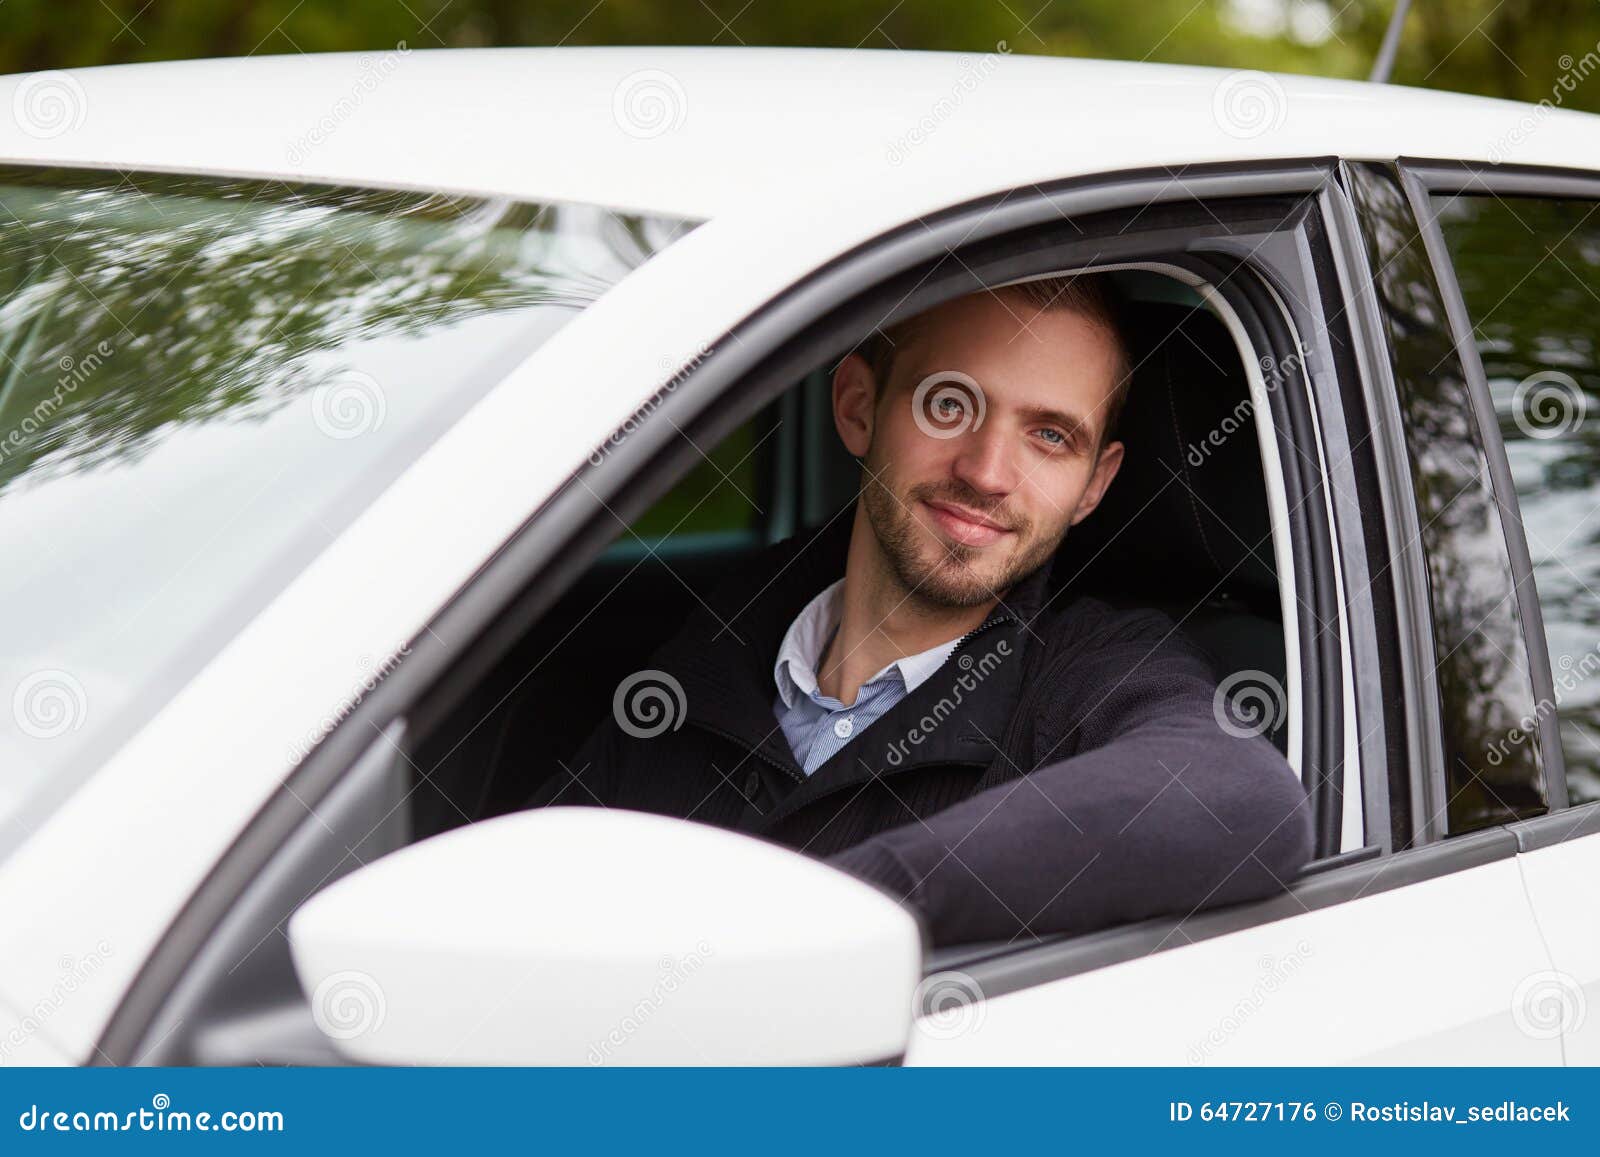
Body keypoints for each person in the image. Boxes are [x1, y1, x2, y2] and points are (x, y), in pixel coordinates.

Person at [526, 274, 1314, 946]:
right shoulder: (706, 644)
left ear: (1095, 486)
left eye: (1049, 435)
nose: (988, 470)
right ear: (859, 407)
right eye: (950, 404)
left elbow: (1245, 797)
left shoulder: (1089, 670)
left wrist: (846, 913)